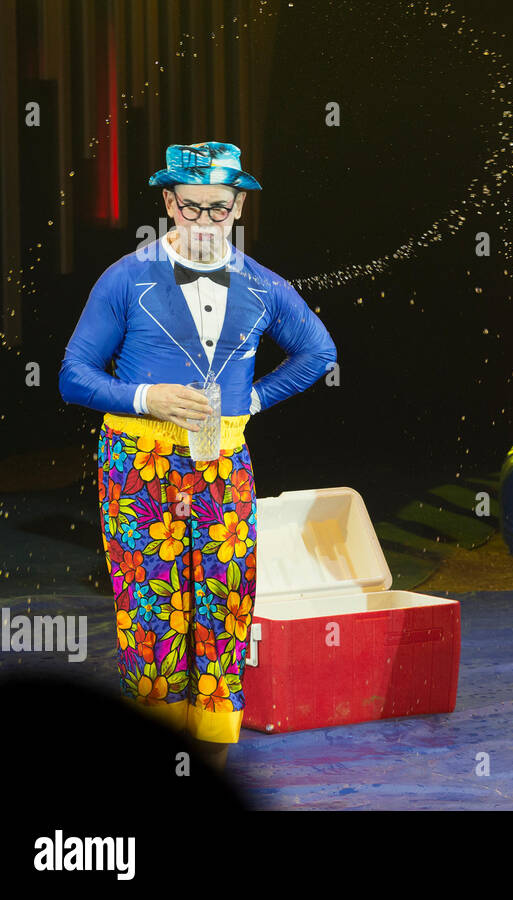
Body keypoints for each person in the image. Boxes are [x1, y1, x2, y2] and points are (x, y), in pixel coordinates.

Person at [59, 142, 337, 772]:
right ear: (168, 204)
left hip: (223, 464)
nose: (207, 222)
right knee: (151, 607)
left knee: (226, 603)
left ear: (239, 205)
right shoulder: (127, 277)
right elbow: (73, 375)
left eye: (220, 208)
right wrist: (144, 396)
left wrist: (253, 401)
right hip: (139, 466)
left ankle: (211, 748)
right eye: (192, 208)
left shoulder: (263, 284)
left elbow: (319, 353)